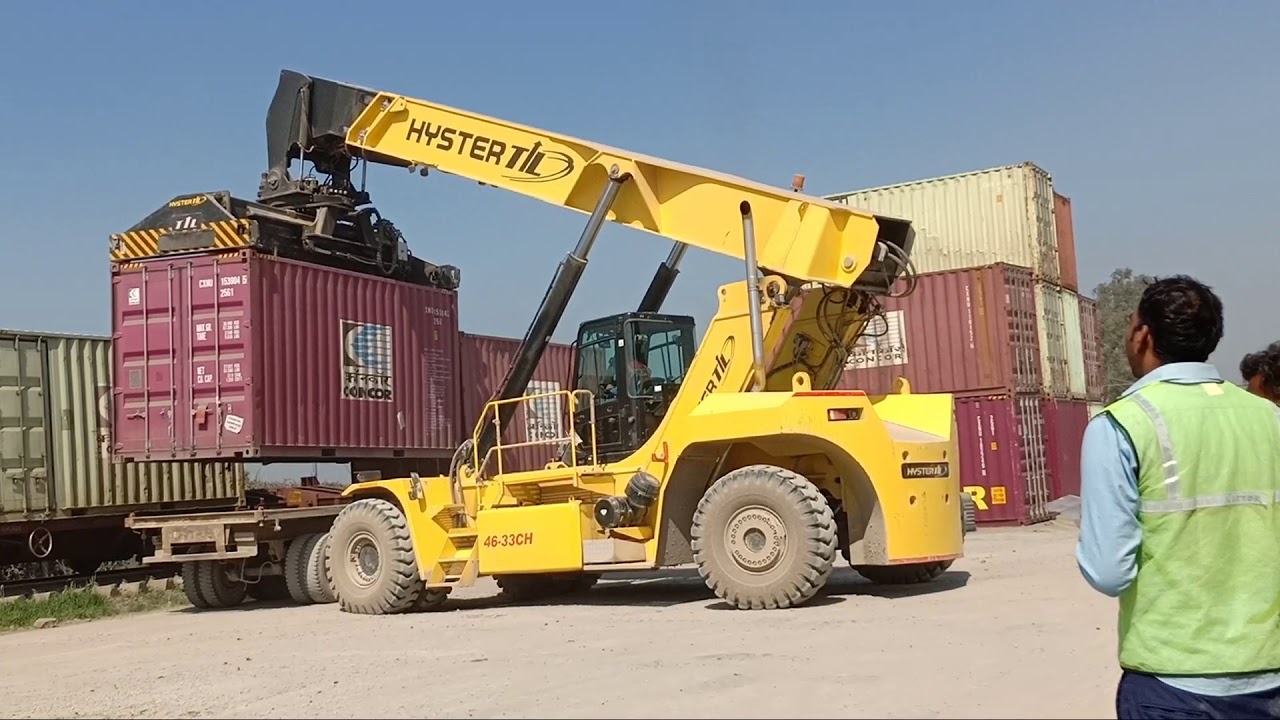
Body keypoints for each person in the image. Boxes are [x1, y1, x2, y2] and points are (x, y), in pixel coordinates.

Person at [1076, 275, 1280, 719]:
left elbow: (1109, 571)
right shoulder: (1270, 418)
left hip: (1173, 682)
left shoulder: (1121, 425)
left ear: (1142, 334)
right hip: (1270, 674)